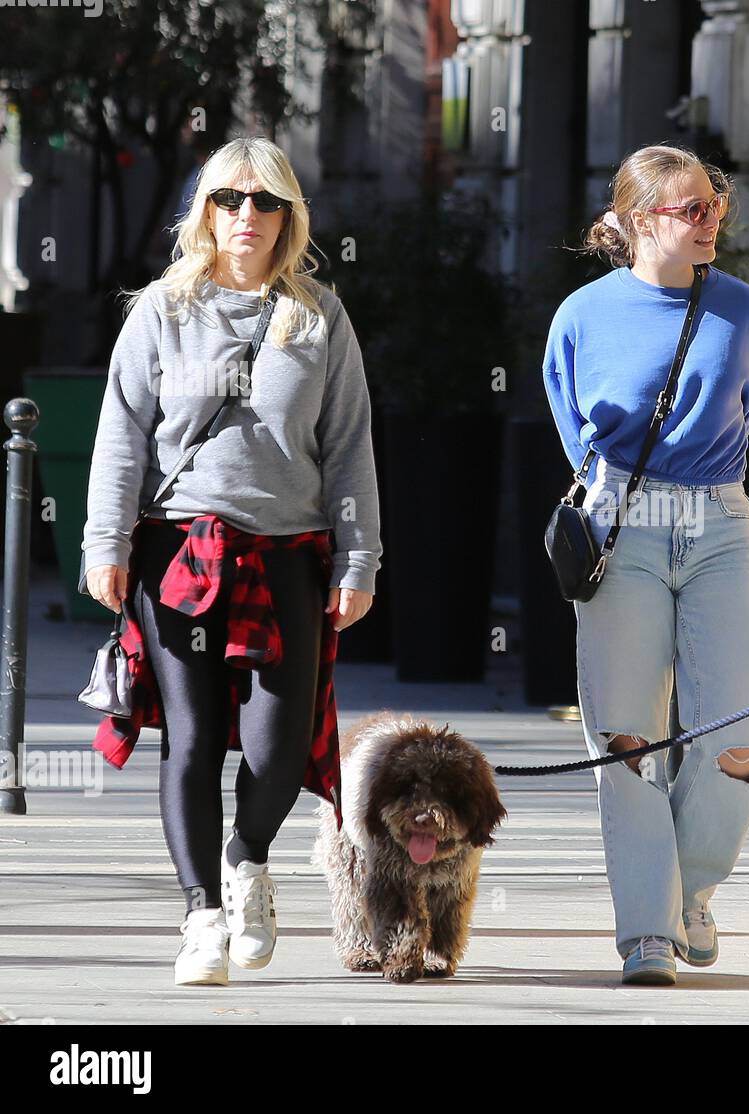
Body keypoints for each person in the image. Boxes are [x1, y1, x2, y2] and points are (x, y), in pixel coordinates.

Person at [81, 136, 382, 987]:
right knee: (193, 736)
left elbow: (349, 447)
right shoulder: (161, 311)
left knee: (279, 745)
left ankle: (247, 860)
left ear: (289, 217)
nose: (246, 214)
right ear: (205, 211)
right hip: (181, 549)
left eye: (265, 201)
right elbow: (121, 435)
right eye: (228, 198)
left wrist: (360, 559)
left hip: (288, 553)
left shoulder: (319, 317)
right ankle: (201, 917)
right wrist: (105, 543)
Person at [543, 144, 749, 986]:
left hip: (720, 521)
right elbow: (573, 427)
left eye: (717, 205)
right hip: (622, 524)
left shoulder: (740, 307)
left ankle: (691, 890)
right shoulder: (581, 315)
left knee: (742, 730)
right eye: (693, 209)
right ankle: (648, 929)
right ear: (641, 221)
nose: (713, 219)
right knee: (626, 739)